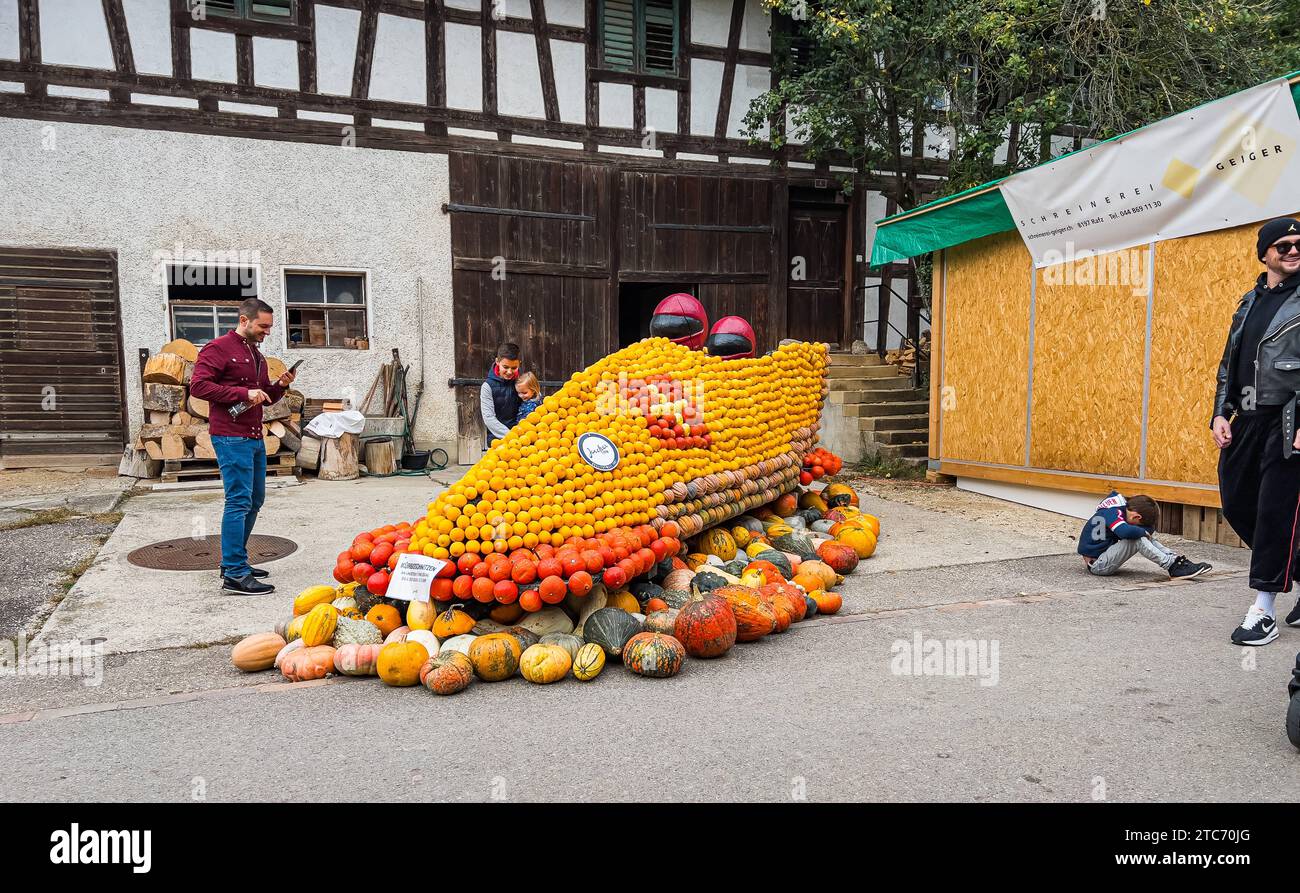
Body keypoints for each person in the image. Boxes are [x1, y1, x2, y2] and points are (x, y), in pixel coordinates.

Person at [1212, 217, 1300, 645]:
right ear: (1265, 254)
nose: (1292, 250)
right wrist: (1220, 413)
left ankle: (1263, 610)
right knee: (1236, 504)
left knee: (1274, 514)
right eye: (1282, 245)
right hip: (1247, 418)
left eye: (1299, 244)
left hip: (1289, 421)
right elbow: (1230, 364)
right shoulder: (1249, 301)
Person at [189, 298, 296, 596]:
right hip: (230, 436)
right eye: (263, 326)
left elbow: (264, 397)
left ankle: (234, 562)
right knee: (238, 501)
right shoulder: (218, 348)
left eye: (270, 326)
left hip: (254, 434)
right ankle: (235, 574)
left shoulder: (257, 355)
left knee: (255, 500)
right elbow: (198, 386)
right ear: (244, 320)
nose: (268, 331)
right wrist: (242, 391)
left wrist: (280, 385)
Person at [1077, 491, 1210, 579]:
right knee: (1137, 539)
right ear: (1136, 516)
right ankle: (1171, 566)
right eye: (1138, 524)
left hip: (1104, 556)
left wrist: (1144, 532)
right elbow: (1125, 531)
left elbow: (1147, 530)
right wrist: (1142, 531)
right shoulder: (1113, 513)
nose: (1137, 527)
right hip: (1097, 565)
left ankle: (1175, 561)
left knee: (1140, 535)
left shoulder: (1120, 509)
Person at [480, 342, 521, 443]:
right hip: (498, 440)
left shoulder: (522, 381)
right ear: (497, 362)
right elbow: (489, 418)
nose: (510, 372)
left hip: (523, 439)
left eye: (514, 368)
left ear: (519, 363)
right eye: (505, 367)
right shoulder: (487, 387)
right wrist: (511, 436)